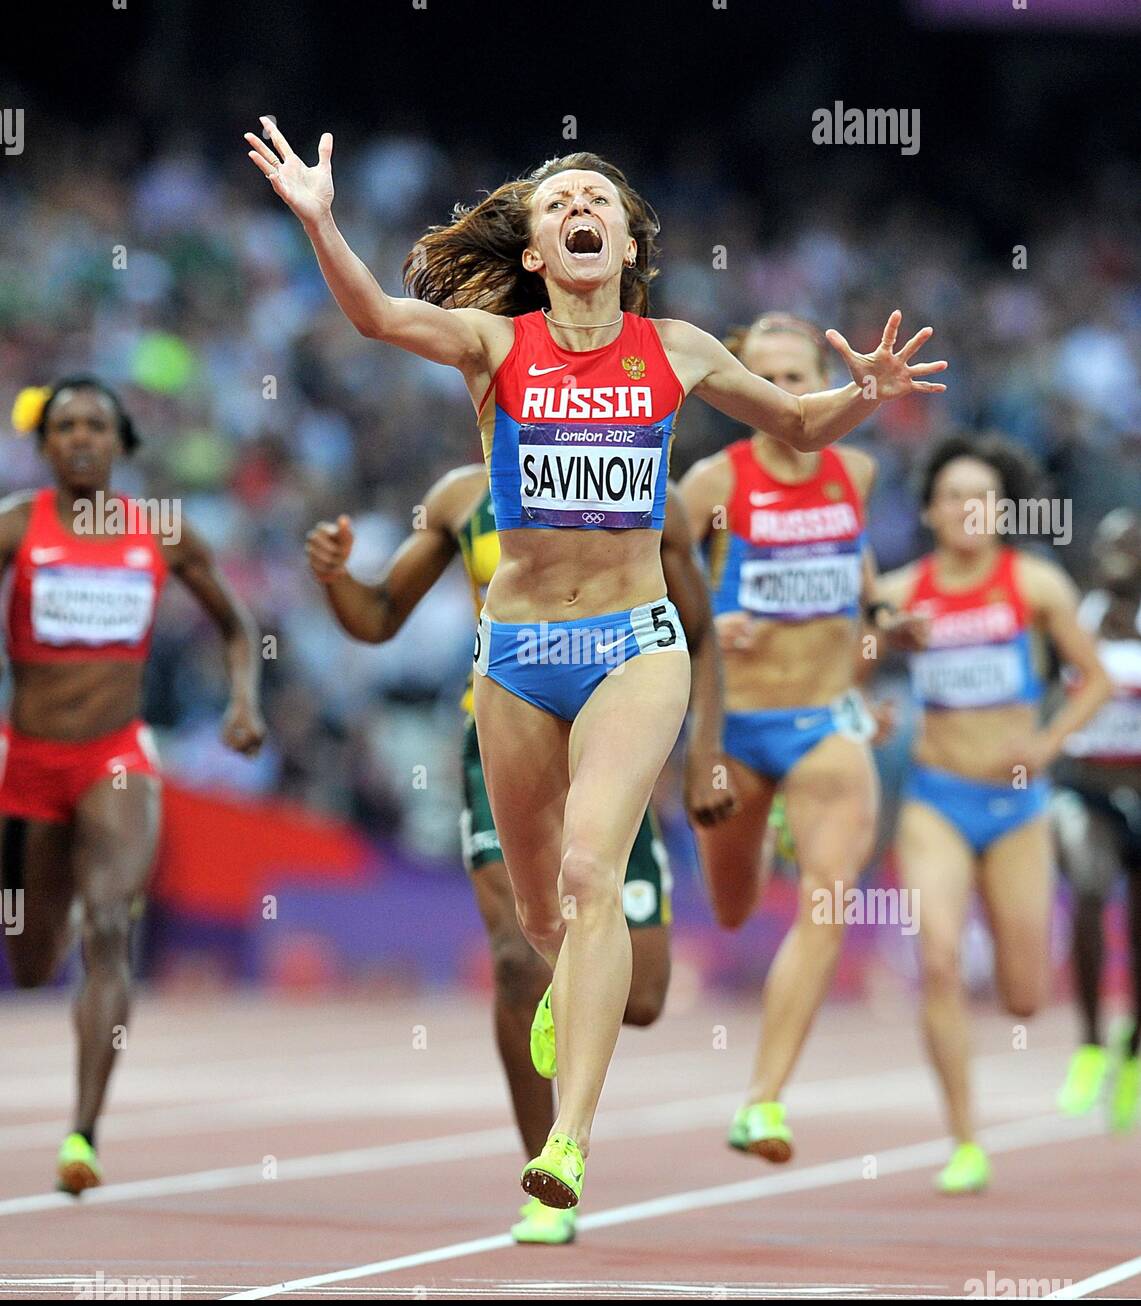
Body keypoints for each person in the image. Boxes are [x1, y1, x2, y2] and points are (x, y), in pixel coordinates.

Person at [247, 118, 945, 1207]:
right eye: (557, 202)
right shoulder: (494, 348)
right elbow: (378, 314)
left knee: (590, 877)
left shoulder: (676, 348)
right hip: (517, 654)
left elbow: (801, 427)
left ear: (626, 244)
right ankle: (558, 981)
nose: (579, 208)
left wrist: (866, 390)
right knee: (538, 919)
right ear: (532, 251)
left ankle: (567, 1138)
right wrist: (321, 222)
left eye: (598, 201)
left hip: (634, 641)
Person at [305, 467, 730, 1240]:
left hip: (612, 727)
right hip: (502, 731)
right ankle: (548, 1175)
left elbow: (695, 629)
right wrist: (337, 578)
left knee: (642, 996)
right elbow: (376, 618)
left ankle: (566, 988)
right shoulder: (461, 498)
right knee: (513, 957)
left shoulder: (637, 485)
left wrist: (704, 754)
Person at [2, 378, 265, 1193]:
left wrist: (243, 701)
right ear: (45, 446)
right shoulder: (18, 524)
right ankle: (62, 907)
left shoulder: (163, 532)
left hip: (116, 755)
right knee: (35, 961)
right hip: (29, 764)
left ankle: (82, 1135)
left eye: (97, 427)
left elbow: (234, 624)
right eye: (66, 427)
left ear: (121, 444)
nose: (82, 439)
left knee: (113, 923)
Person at [679, 312, 926, 1162]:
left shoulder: (852, 468)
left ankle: (763, 1101)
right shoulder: (713, 483)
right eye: (765, 379)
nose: (782, 393)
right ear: (738, 390)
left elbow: (860, 585)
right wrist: (714, 620)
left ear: (819, 380)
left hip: (825, 724)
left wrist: (892, 620)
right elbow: (645, 586)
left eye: (795, 377)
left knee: (828, 899)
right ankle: (766, 826)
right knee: (733, 906)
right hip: (737, 729)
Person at [876, 433, 1111, 1193]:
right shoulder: (904, 589)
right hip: (935, 798)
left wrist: (1046, 747)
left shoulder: (1034, 584)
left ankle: (1039, 988)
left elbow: (1095, 680)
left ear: (1001, 510)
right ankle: (964, 1140)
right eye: (951, 497)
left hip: (1015, 805)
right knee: (938, 961)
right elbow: (842, 667)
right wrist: (871, 693)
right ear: (930, 511)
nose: (966, 509)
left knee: (1022, 996)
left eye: (980, 497)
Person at [1052, 509, 1141, 1131]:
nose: (1121, 555)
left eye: (1132, 545)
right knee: (1086, 885)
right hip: (1087, 784)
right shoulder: (1074, 618)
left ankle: (1131, 1054)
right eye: (1111, 544)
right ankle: (1089, 1044)